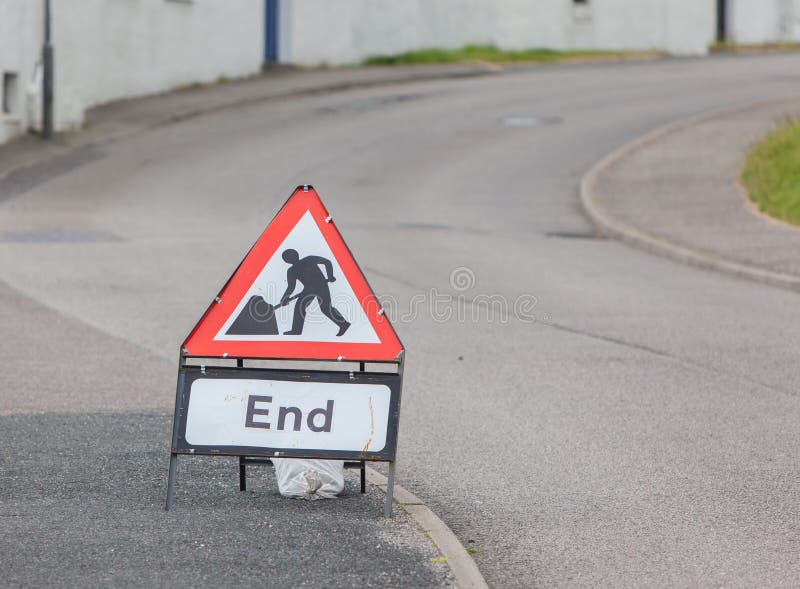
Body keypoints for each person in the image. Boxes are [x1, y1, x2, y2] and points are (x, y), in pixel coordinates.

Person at [277, 249, 350, 336]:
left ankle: (344, 324)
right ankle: (296, 331)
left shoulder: (309, 259)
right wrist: (284, 298)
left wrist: (330, 275)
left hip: (321, 286)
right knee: (299, 308)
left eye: (290, 256)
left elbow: (327, 262)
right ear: (287, 261)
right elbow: (291, 287)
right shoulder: (292, 270)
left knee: (325, 308)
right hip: (308, 290)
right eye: (288, 257)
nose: (291, 258)